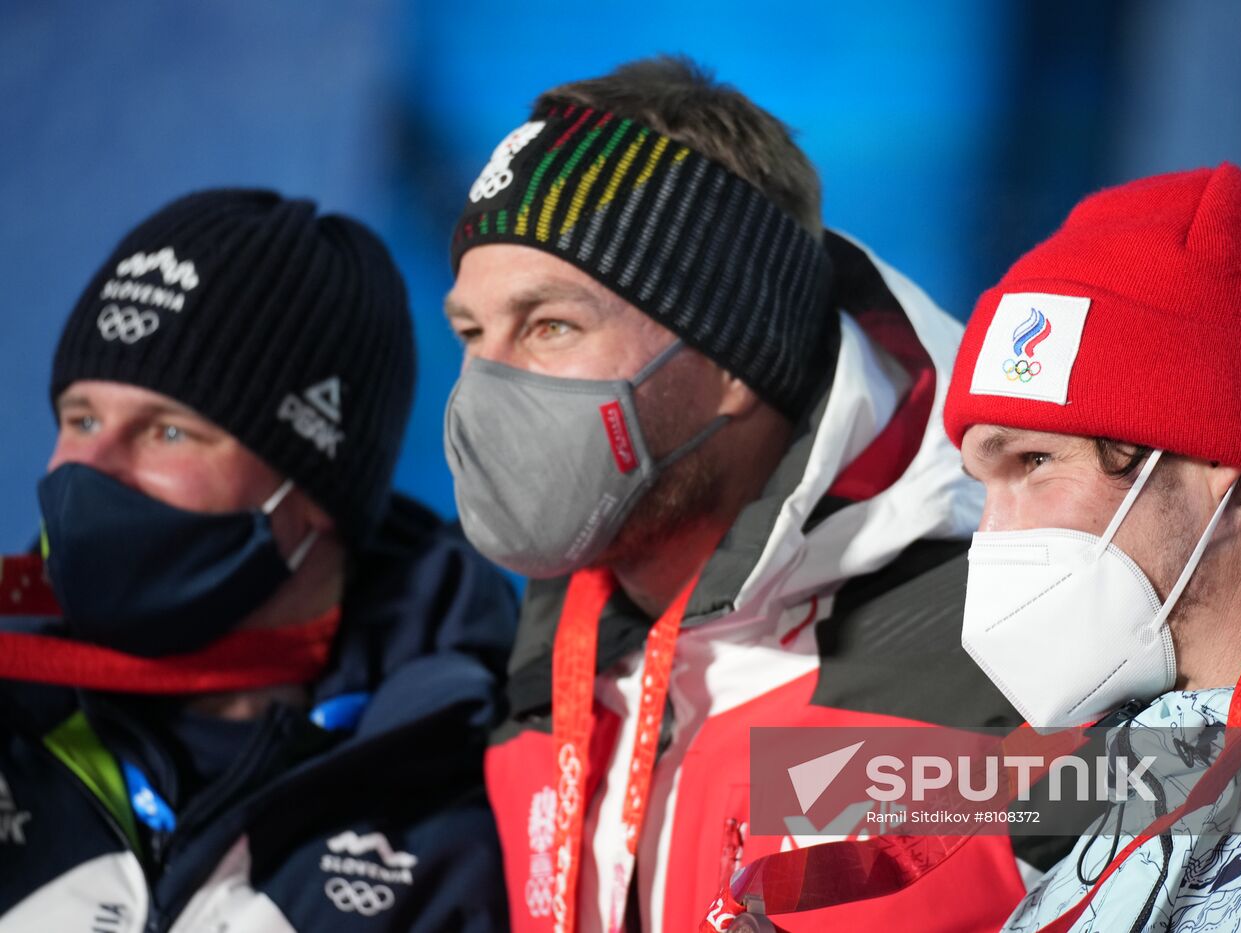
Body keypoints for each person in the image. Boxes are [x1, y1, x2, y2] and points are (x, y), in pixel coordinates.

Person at [442, 56, 1052, 932]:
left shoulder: (1015, 657)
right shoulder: (533, 668)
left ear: (729, 358)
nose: (488, 385)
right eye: (471, 330)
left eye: (550, 325)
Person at [0, 190, 515, 931]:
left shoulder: (480, 798)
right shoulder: (14, 723)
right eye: (81, 418)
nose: (88, 468)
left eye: (168, 432)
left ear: (312, 495)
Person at [941, 162, 1241, 930]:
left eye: (1033, 463)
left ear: (1219, 452)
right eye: (982, 483)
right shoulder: (1151, 778)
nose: (992, 536)